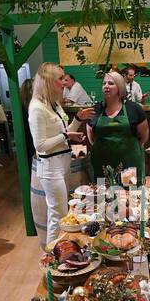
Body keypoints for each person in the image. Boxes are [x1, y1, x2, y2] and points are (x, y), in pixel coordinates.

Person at [28, 62, 87, 245]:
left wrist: (78, 119)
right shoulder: (37, 107)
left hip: (62, 163)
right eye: (60, 78)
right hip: (51, 166)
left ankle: (60, 251)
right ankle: (53, 257)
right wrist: (65, 135)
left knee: (60, 211)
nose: (64, 82)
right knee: (58, 214)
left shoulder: (53, 104)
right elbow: (41, 145)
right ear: (48, 81)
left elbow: (64, 133)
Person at [80, 70, 149, 186]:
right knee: (103, 199)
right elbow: (92, 138)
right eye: (104, 83)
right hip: (101, 167)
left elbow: (143, 138)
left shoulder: (134, 109)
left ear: (120, 87)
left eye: (111, 83)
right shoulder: (95, 110)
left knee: (131, 199)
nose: (106, 86)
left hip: (129, 166)